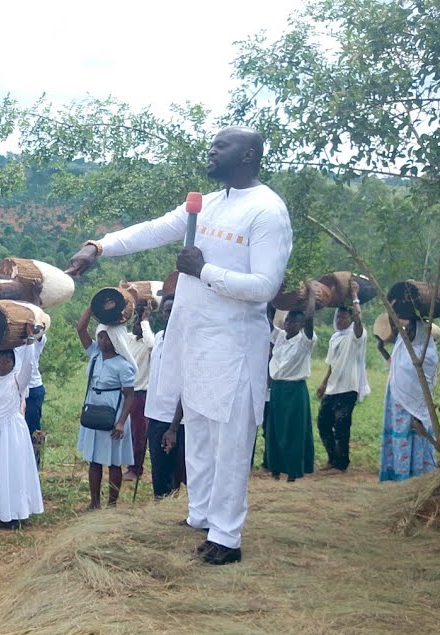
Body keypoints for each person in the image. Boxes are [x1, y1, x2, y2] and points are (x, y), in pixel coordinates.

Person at [65, 126, 293, 565]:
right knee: (201, 429)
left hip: (233, 345)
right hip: (195, 341)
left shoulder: (267, 211)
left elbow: (265, 285)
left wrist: (205, 271)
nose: (211, 150)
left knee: (230, 437)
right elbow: (154, 230)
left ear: (247, 155)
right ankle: (202, 514)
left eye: (221, 145)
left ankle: (227, 536)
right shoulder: (204, 204)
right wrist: (99, 247)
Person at [0, 345, 42, 526]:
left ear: (13, 363)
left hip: (10, 433)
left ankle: (11, 512)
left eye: (6, 361)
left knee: (9, 470)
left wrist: (29, 342)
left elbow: (29, 364)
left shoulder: (18, 380)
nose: (1, 365)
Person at [75, 308, 136, 509]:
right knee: (94, 460)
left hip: (114, 414)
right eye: (100, 337)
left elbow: (129, 397)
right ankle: (94, 502)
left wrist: (120, 423)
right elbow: (81, 329)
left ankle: (112, 504)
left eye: (107, 338)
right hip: (94, 411)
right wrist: (93, 308)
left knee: (114, 462)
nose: (102, 342)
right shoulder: (94, 355)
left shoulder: (123, 365)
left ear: (115, 340)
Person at [377, 319, 439, 482]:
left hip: (416, 408)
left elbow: (424, 386)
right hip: (397, 404)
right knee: (400, 439)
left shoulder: (428, 355)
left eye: (411, 330)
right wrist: (382, 350)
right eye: (407, 330)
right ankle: (398, 474)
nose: (408, 333)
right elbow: (395, 367)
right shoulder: (402, 346)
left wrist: (419, 412)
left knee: (415, 437)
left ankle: (414, 477)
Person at [264, 292, 316, 482]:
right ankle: (276, 468)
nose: (288, 324)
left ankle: (293, 471)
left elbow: (310, 318)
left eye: (294, 322)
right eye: (287, 320)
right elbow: (267, 320)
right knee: (276, 429)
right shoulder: (279, 337)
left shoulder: (305, 341)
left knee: (294, 430)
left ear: (301, 325)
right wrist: (270, 296)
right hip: (277, 389)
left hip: (295, 390)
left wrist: (311, 295)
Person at [316, 303, 369, 473]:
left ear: (350, 319)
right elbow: (331, 364)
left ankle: (341, 464)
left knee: (341, 426)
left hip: (348, 388)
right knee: (323, 423)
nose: (340, 320)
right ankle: (333, 459)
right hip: (333, 387)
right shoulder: (334, 338)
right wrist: (324, 383)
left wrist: (354, 300)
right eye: (338, 317)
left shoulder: (355, 335)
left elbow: (359, 324)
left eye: (344, 317)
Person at [146, 294, 187, 497]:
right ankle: (160, 512)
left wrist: (173, 427)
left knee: (172, 472)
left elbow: (186, 387)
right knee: (158, 471)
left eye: (173, 311)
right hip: (154, 416)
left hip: (173, 420)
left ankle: (169, 514)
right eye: (166, 311)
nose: (169, 315)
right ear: (161, 314)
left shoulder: (185, 342)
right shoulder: (160, 337)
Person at [123, 306, 156, 483]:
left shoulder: (149, 343)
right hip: (125, 392)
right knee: (126, 432)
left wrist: (145, 319)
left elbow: (151, 343)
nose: (137, 324)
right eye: (135, 320)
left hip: (140, 394)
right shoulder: (129, 339)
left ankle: (136, 469)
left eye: (140, 322)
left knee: (139, 433)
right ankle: (128, 464)